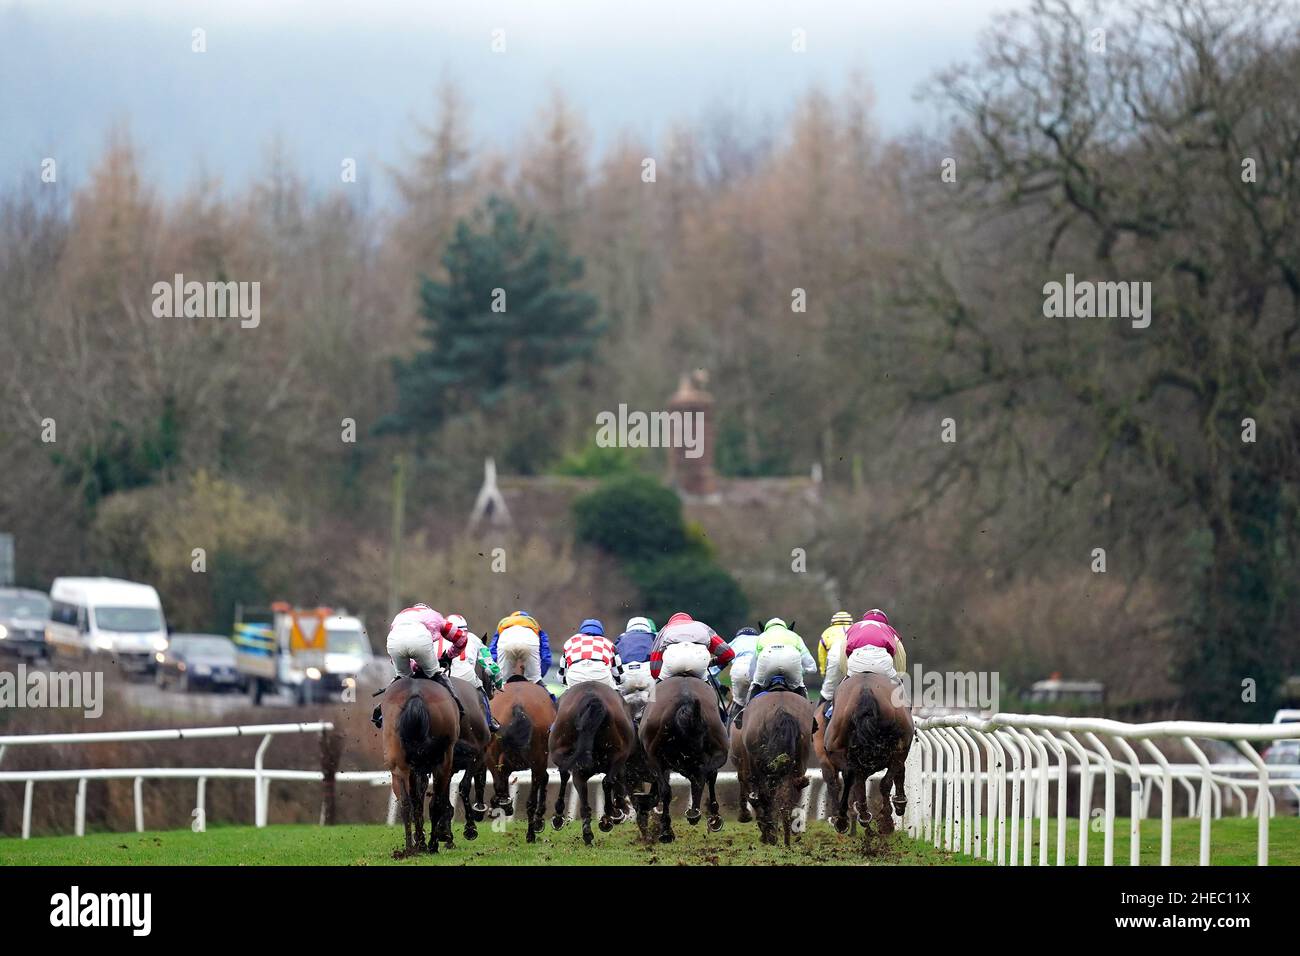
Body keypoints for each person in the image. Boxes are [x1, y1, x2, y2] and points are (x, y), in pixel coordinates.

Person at [372, 603, 468, 729]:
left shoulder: (400, 616)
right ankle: (458, 706)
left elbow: (395, 654)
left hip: (394, 642)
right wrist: (449, 656)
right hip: (420, 640)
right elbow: (461, 638)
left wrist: (413, 666)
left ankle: (381, 710)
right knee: (435, 674)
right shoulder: (437, 617)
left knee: (402, 679)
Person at [820, 608, 908, 720]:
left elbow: (844, 654)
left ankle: (832, 710)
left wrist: (847, 673)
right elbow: (901, 657)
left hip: (856, 660)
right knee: (899, 687)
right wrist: (899, 676)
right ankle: (906, 712)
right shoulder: (888, 629)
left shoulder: (854, 627)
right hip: (882, 662)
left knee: (842, 687)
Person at [733, 617, 816, 729]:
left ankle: (744, 712)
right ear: (784, 627)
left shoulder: (761, 637)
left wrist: (756, 680)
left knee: (755, 686)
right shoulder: (795, 637)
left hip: (767, 657)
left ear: (767, 628)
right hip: (791, 658)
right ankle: (811, 718)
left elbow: (753, 665)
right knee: (800, 687)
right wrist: (799, 672)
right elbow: (812, 667)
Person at [443, 613, 502, 734]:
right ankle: (489, 720)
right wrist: (499, 683)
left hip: (442, 677)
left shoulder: (438, 638)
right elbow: (490, 667)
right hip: (466, 677)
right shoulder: (474, 638)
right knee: (482, 693)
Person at [489, 610, 555, 702]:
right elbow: (546, 656)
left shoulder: (504, 623)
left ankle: (487, 709)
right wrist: (537, 677)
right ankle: (553, 705)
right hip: (529, 642)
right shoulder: (534, 624)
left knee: (501, 683)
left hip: (506, 643)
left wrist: (493, 675)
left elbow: (492, 652)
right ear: (527, 618)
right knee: (536, 681)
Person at [649, 611, 735, 680]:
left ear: (671, 622)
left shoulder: (665, 628)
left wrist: (656, 676)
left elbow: (655, 658)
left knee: (658, 690)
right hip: (699, 659)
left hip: (673, 659)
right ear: (691, 620)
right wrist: (711, 662)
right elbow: (728, 654)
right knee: (708, 688)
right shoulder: (702, 626)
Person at [559, 619, 623, 688]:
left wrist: (564, 681)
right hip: (601, 675)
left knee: (567, 693)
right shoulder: (609, 643)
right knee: (615, 692)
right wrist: (620, 680)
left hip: (575, 676)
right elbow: (618, 675)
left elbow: (562, 676)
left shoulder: (570, 641)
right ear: (601, 631)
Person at [614, 617, 656, 721]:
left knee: (619, 703)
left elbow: (614, 658)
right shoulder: (654, 636)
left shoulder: (621, 638)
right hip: (647, 673)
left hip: (626, 673)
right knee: (654, 702)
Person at [726, 626, 760, 721]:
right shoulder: (761, 640)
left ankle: (729, 733)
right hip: (758, 670)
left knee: (738, 703)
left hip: (739, 670)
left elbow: (716, 668)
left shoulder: (734, 642)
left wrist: (718, 684)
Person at [817, 611, 854, 676]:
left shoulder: (827, 631)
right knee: (853, 683)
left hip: (834, 656)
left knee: (830, 685)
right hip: (851, 657)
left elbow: (821, 653)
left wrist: (823, 670)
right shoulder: (854, 628)